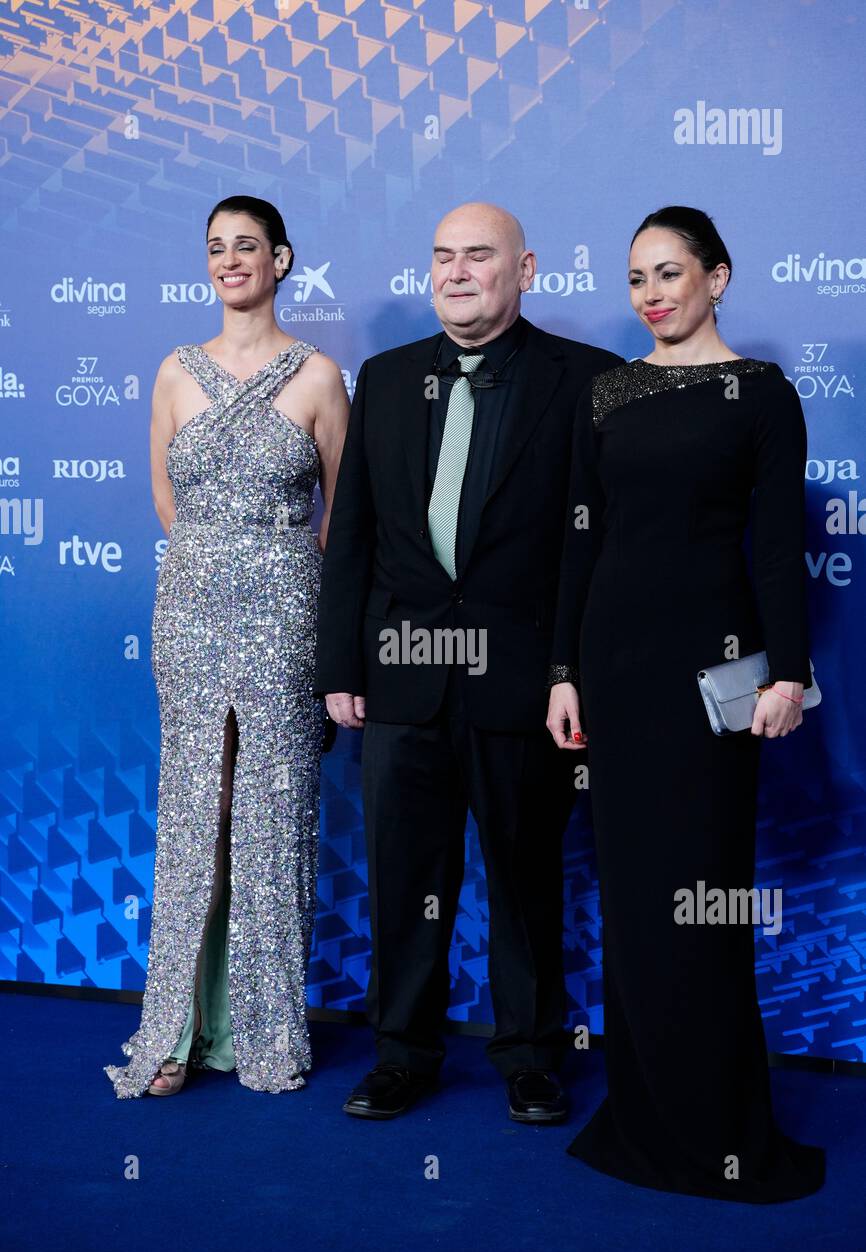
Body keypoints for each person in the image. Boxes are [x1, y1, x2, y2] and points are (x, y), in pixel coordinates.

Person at [314, 202, 623, 1122]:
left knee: (527, 878)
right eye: (442, 256)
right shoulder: (386, 375)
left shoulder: (586, 380)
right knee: (408, 879)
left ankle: (531, 1056)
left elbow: (591, 550)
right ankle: (404, 1054)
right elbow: (354, 538)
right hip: (404, 673)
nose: (456, 271)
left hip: (521, 682)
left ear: (525, 269)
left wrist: (570, 671)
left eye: (478, 256)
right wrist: (342, 666)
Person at [546, 205, 825, 1201]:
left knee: (699, 897)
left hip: (713, 682)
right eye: (634, 278)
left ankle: (717, 1130)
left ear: (717, 276)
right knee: (630, 899)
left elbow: (774, 548)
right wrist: (560, 672)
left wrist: (785, 671)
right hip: (612, 674)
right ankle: (645, 1119)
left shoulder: (759, 394)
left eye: (669, 273)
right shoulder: (607, 393)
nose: (651, 294)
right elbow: (580, 539)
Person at [105, 195, 349, 1098]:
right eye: (217, 248)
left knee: (274, 819)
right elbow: (168, 505)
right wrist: (218, 561)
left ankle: (265, 1035)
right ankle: (174, 1031)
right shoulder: (172, 371)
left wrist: (280, 575)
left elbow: (343, 518)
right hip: (192, 611)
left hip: (286, 616)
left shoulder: (320, 375)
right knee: (193, 816)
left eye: (248, 246)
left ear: (282, 260)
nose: (231, 260)